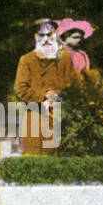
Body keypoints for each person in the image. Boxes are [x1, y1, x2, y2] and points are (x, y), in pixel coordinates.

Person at [14, 18, 79, 155]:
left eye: (49, 35)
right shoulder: (26, 60)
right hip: (34, 115)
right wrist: (43, 97)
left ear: (55, 35)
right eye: (41, 35)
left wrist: (57, 96)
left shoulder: (64, 59)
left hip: (59, 116)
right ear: (35, 37)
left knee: (58, 158)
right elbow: (20, 88)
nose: (46, 39)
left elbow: (73, 85)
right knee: (34, 158)